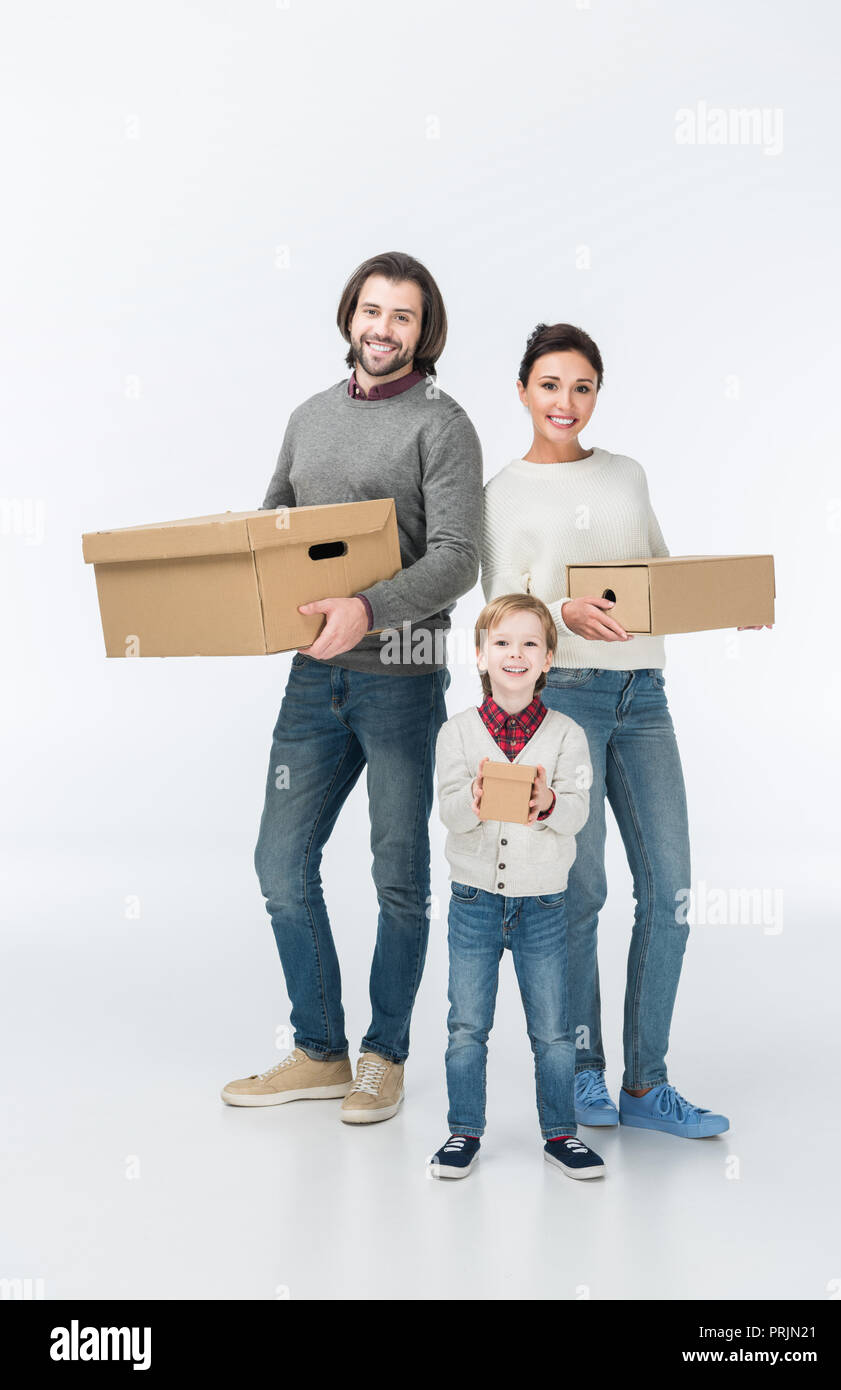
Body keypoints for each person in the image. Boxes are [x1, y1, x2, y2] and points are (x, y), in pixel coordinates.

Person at [481, 323, 770, 1138]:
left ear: (595, 394)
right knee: (580, 894)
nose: (564, 403)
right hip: (563, 695)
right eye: (548, 386)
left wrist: (726, 604)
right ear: (522, 391)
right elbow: (500, 607)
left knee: (670, 891)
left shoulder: (627, 474)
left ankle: (646, 1086)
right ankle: (581, 1075)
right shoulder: (501, 490)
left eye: (580, 387)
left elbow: (658, 572)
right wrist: (555, 612)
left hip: (643, 698)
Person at [221, 252, 483, 1123]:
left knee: (399, 876)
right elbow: (276, 525)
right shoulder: (307, 418)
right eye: (371, 311)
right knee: (279, 864)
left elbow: (455, 559)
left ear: (423, 331)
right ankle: (320, 1050)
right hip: (312, 679)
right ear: (349, 318)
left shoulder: (442, 424)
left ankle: (385, 1056)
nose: (382, 328)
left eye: (401, 317)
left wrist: (366, 608)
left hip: (401, 676)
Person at [428, 594, 605, 1180]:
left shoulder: (567, 735)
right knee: (467, 1024)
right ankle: (463, 1132)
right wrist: (474, 802)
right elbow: (450, 814)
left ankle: (561, 1133)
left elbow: (578, 813)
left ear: (549, 658)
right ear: (480, 655)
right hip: (474, 901)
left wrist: (550, 801)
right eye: (502, 642)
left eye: (530, 643)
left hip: (544, 903)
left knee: (554, 1030)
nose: (516, 654)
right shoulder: (456, 734)